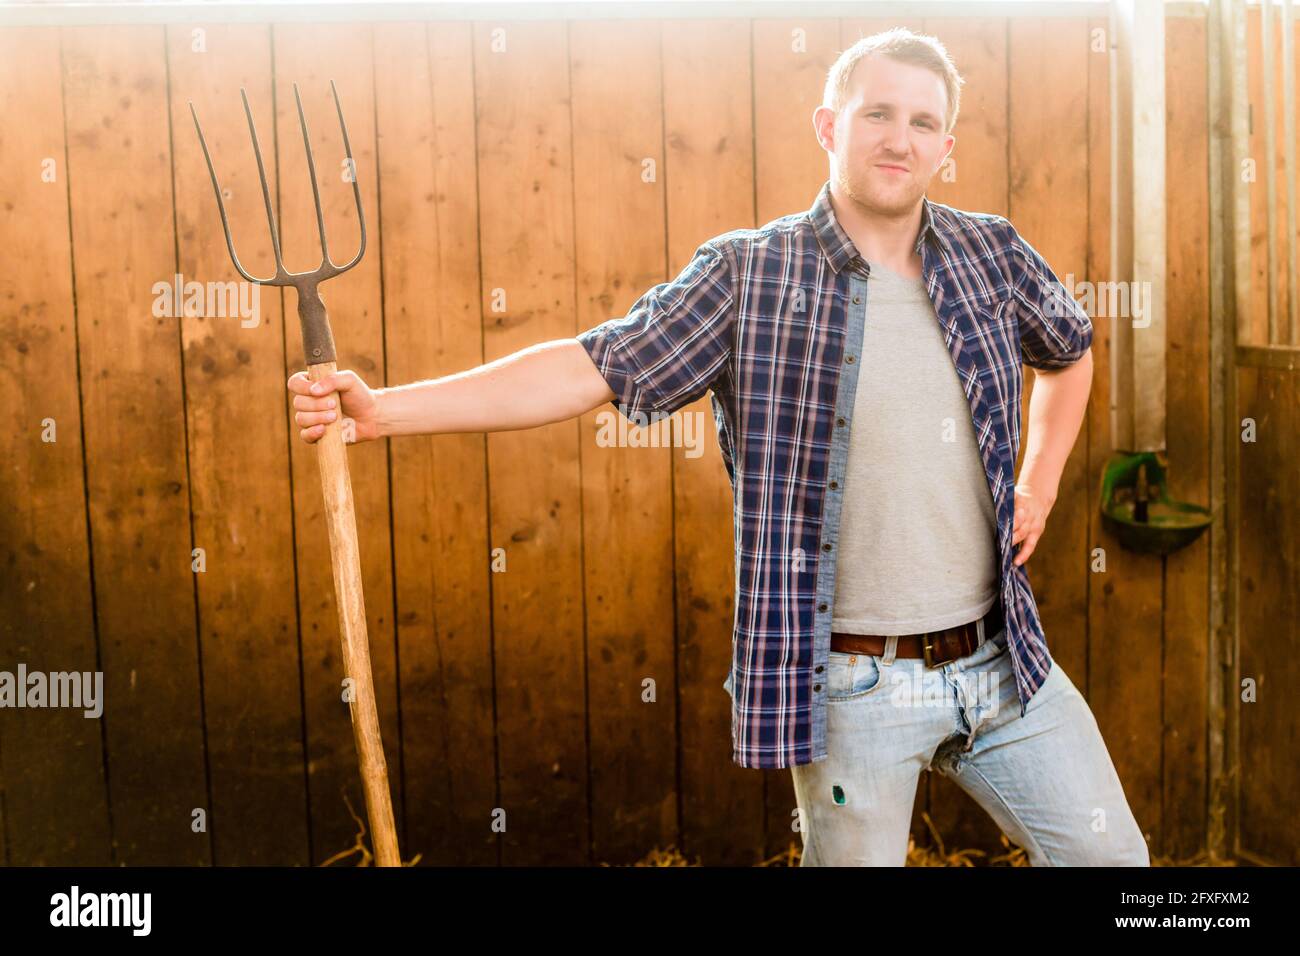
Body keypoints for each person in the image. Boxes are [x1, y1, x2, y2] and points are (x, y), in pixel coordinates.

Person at [287, 27, 1149, 867]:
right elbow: (590, 366)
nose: (900, 139)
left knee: (1115, 860)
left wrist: (1037, 482)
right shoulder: (750, 274)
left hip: (1003, 662)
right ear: (828, 126)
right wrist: (383, 411)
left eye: (923, 123)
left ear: (946, 144)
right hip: (850, 686)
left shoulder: (991, 255)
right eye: (877, 114)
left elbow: (1069, 352)